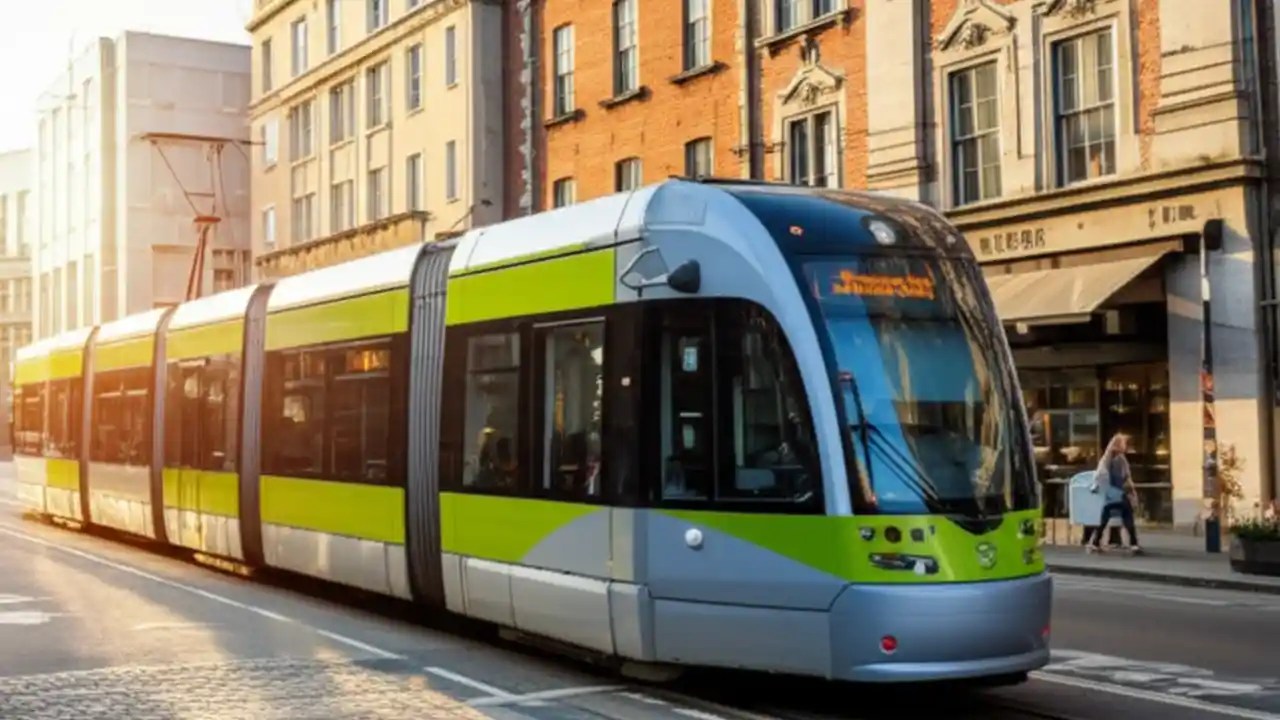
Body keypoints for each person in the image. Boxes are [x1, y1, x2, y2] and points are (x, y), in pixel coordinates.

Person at [1088, 433, 1142, 554]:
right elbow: (1124, 477)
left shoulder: (1107, 457)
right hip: (1118, 492)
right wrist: (1131, 492)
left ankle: (1095, 542)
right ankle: (1133, 544)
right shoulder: (1119, 458)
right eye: (1126, 443)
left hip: (1108, 494)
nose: (1127, 446)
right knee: (1128, 516)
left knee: (1105, 517)